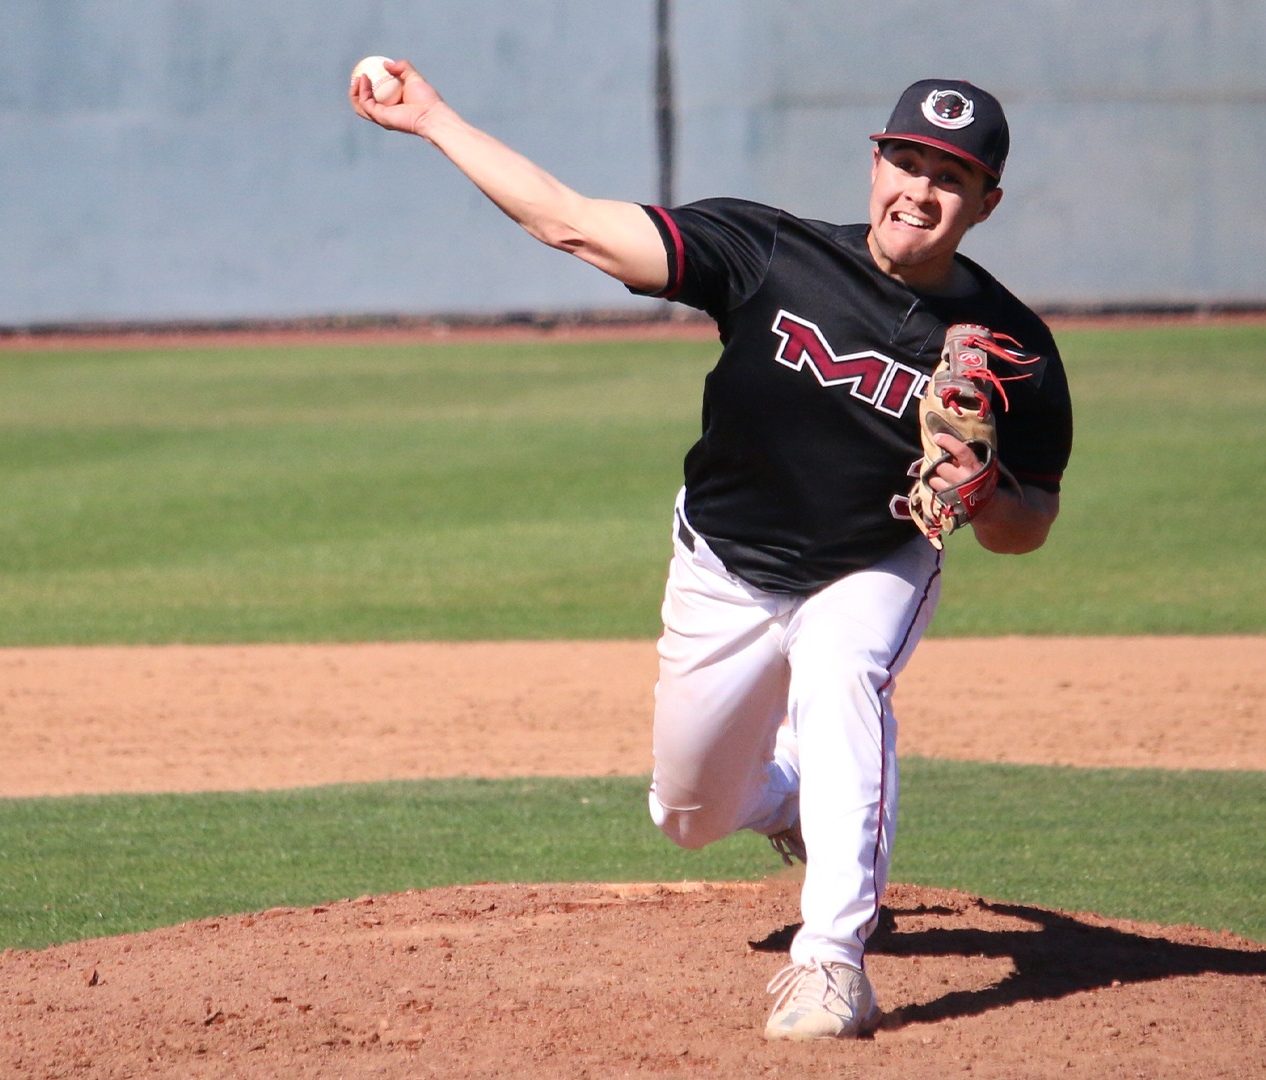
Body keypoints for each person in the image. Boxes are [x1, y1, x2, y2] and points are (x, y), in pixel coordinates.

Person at [352, 64, 1073, 1040]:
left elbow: (1029, 525)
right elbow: (570, 222)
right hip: (722, 562)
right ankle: (790, 799)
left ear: (987, 202)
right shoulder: (771, 253)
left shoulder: (1015, 347)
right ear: (874, 165)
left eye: (951, 177)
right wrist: (434, 118)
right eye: (907, 162)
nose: (920, 190)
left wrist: (987, 495)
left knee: (847, 676)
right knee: (688, 814)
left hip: (872, 561)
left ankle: (832, 963)